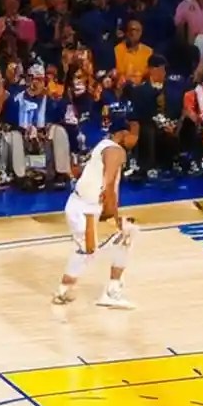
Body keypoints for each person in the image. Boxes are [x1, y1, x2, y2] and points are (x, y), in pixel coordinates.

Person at [52, 131, 139, 309]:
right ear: (124, 133)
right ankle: (110, 293)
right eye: (135, 135)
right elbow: (108, 185)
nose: (136, 140)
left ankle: (65, 289)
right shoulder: (116, 151)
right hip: (88, 209)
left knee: (87, 250)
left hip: (81, 205)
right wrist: (114, 217)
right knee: (118, 238)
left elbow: (84, 173)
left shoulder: (102, 145)